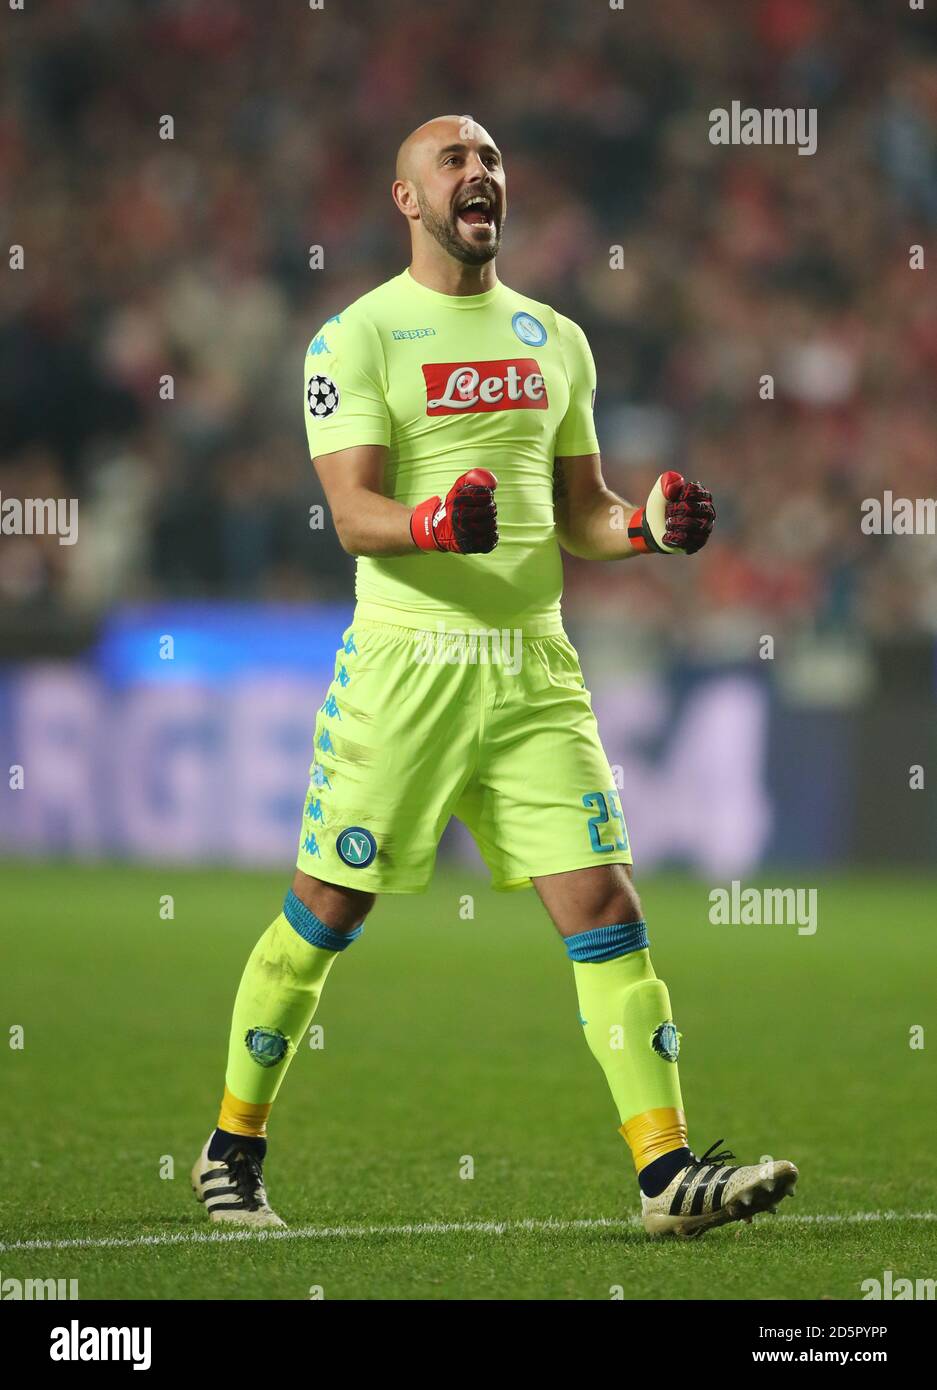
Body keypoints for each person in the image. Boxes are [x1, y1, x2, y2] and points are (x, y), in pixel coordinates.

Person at [191, 115, 796, 1239]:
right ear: (406, 201)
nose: (480, 173)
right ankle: (231, 1150)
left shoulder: (555, 338)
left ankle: (664, 1175)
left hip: (532, 670)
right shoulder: (355, 337)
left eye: (492, 159)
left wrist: (650, 527)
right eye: (451, 161)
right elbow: (354, 515)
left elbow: (580, 515)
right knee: (326, 908)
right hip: (405, 671)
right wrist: (431, 519)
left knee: (605, 905)